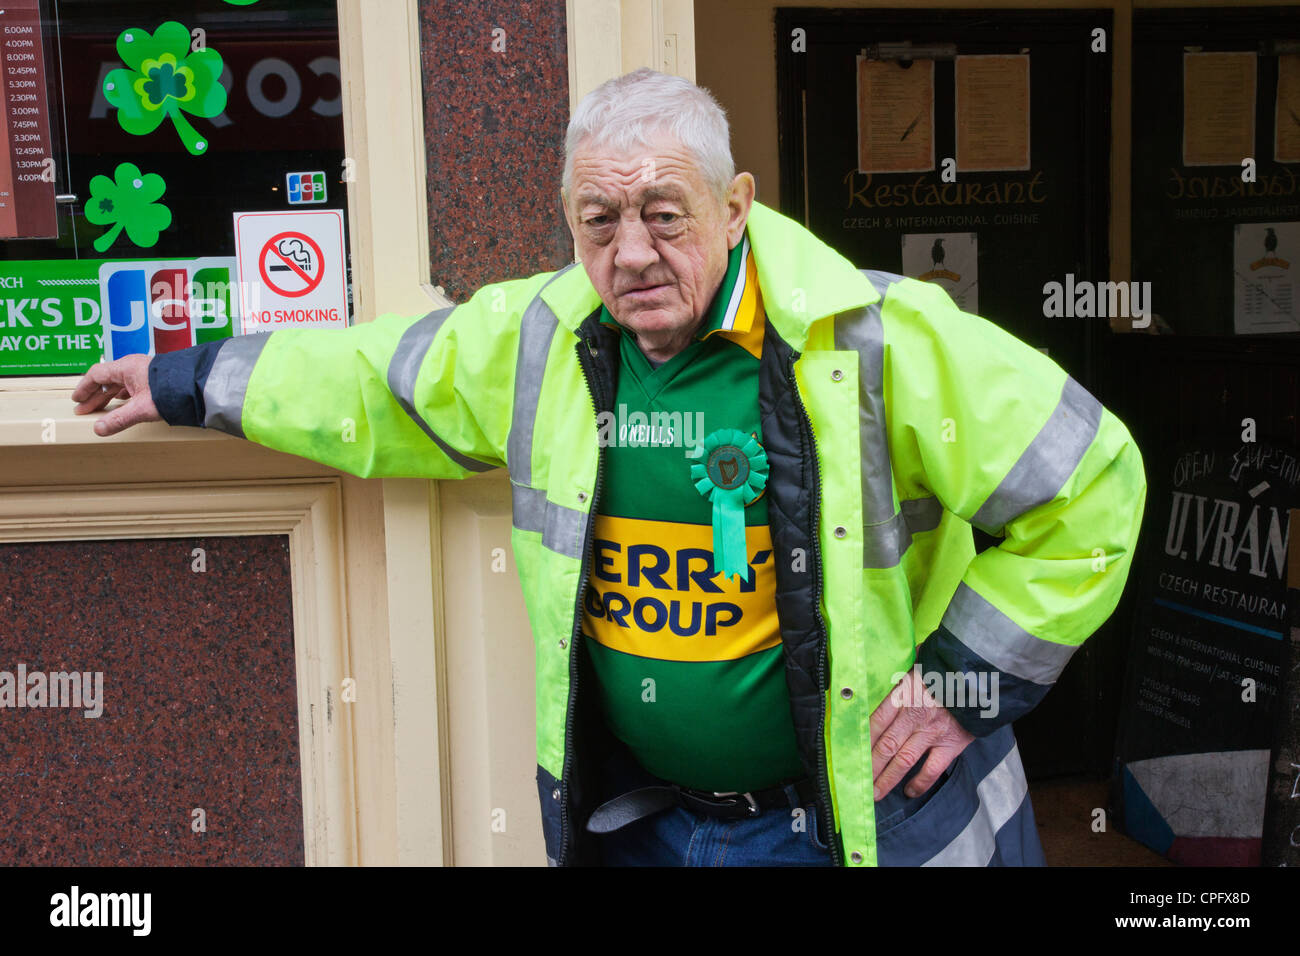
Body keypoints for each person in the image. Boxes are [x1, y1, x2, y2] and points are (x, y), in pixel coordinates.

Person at [72, 67, 1146, 867]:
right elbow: (368, 377)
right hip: (644, 823)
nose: (630, 252)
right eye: (598, 220)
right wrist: (179, 379)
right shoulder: (542, 335)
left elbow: (1091, 477)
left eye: (662, 213)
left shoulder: (874, 336)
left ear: (735, 206)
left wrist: (967, 677)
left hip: (851, 823)